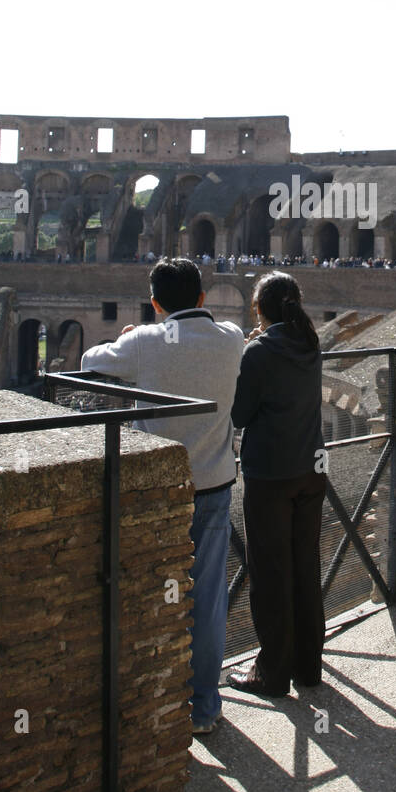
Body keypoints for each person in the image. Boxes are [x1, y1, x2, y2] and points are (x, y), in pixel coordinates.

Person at [80, 257, 244, 735]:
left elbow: (91, 362)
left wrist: (130, 338)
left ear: (155, 303)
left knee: (146, 588)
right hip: (213, 484)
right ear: (201, 298)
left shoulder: (144, 342)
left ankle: (147, 700)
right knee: (208, 598)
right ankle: (203, 708)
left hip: (156, 489)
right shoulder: (231, 338)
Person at [228, 272, 325, 698]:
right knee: (305, 565)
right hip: (311, 469)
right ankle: (308, 666)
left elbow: (240, 415)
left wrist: (249, 352)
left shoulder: (258, 352)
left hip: (270, 474)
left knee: (270, 574)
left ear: (260, 310)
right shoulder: (311, 342)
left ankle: (271, 674)